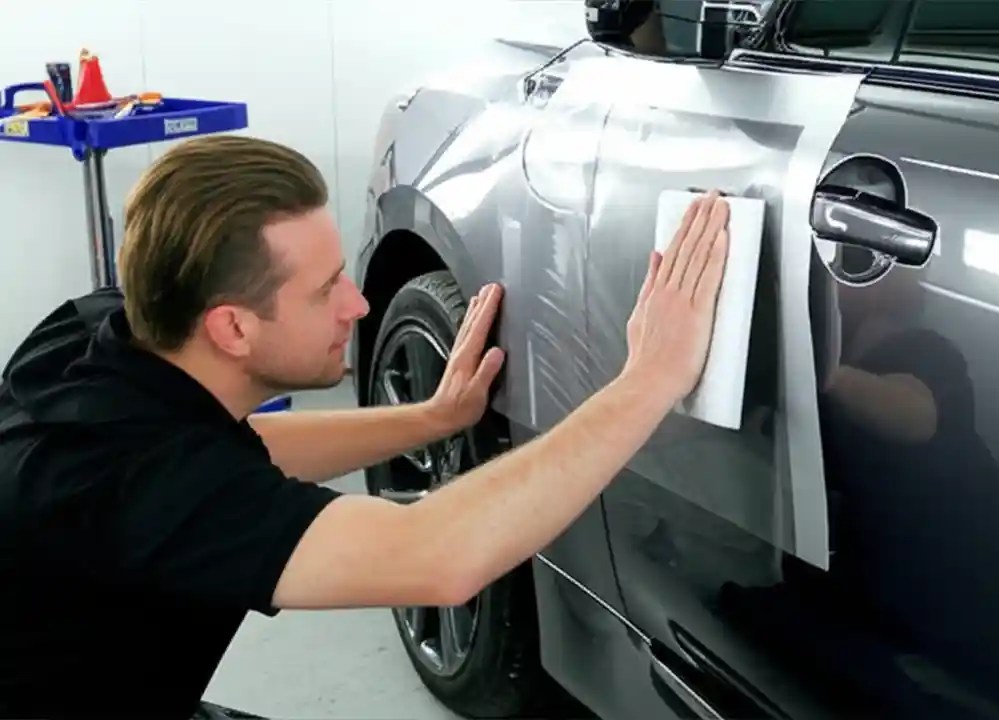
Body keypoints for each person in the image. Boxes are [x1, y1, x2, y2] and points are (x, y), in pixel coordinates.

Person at [0, 135, 731, 719]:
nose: (357, 306)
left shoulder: (100, 333)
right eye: (326, 290)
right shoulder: (131, 484)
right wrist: (651, 378)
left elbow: (236, 453)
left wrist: (431, 418)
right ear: (231, 327)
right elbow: (440, 557)